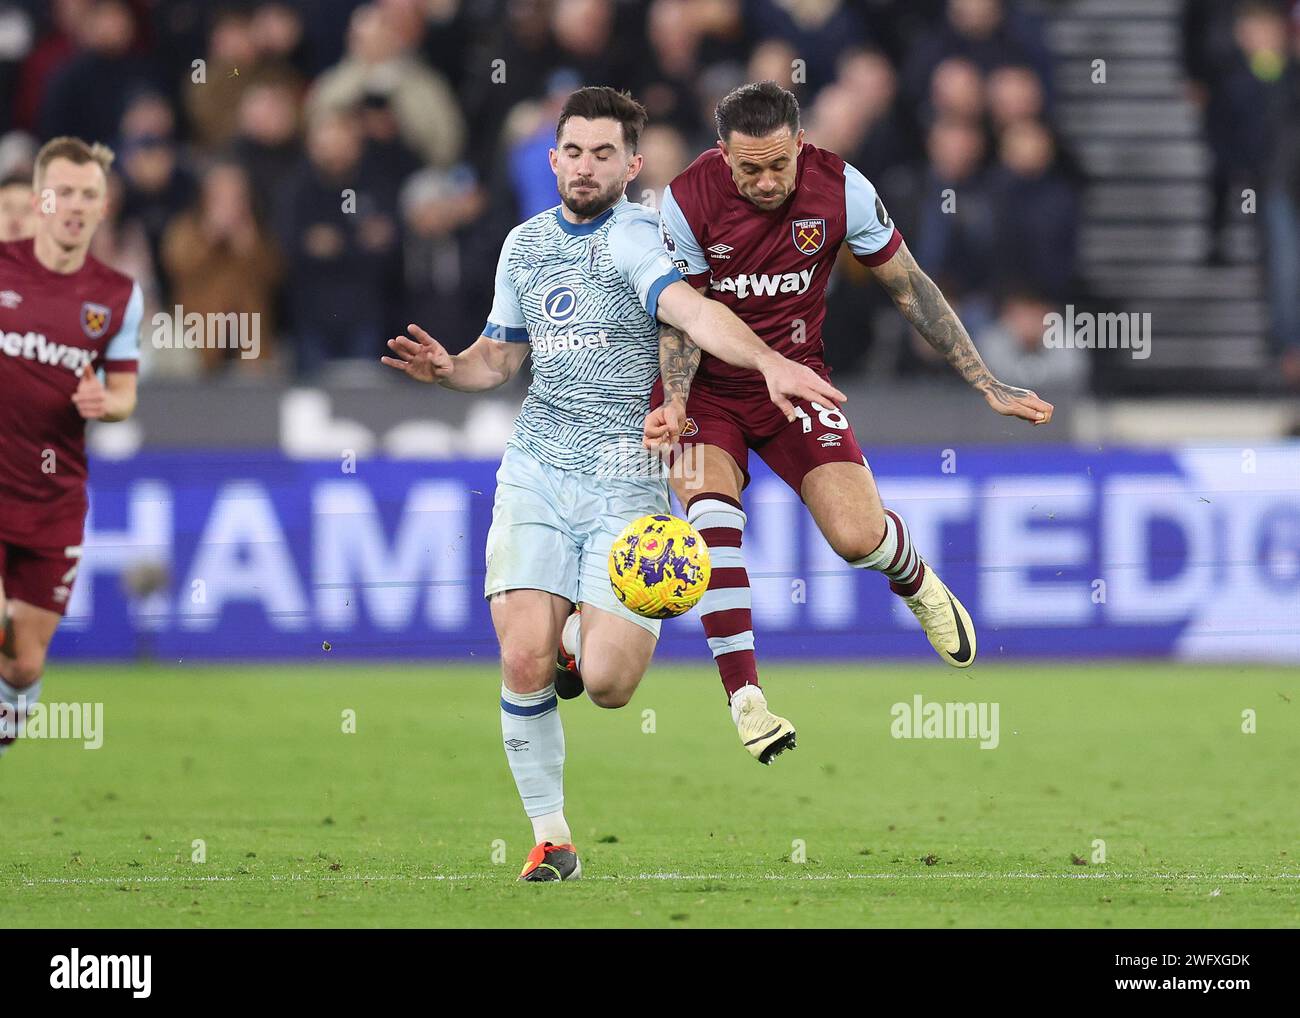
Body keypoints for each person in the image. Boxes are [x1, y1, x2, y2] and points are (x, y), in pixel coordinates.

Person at [381, 87, 842, 881]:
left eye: (604, 153)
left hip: (630, 487)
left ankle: (575, 646)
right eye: (573, 151)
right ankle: (551, 837)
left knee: (608, 686)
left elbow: (694, 317)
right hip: (538, 470)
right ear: (552, 159)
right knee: (521, 658)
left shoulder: (643, 238)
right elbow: (498, 359)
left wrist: (768, 362)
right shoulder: (523, 246)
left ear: (632, 165)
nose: (585, 166)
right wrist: (450, 369)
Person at [645, 81, 1054, 762]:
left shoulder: (843, 190)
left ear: (801, 144)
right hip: (707, 392)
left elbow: (910, 286)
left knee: (858, 535)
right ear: (722, 155)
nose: (768, 181)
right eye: (750, 169)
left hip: (798, 383)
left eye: (780, 164)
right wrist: (678, 402)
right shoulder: (686, 199)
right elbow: (681, 319)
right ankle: (747, 700)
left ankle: (915, 579)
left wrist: (983, 378)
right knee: (713, 520)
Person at [0, 136, 142, 756]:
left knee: (23, 666)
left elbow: (125, 395)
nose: (76, 206)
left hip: (52, 499)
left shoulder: (117, 296)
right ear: (39, 200)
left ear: (104, 206)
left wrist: (102, 404)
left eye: (90, 194)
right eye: (64, 193)